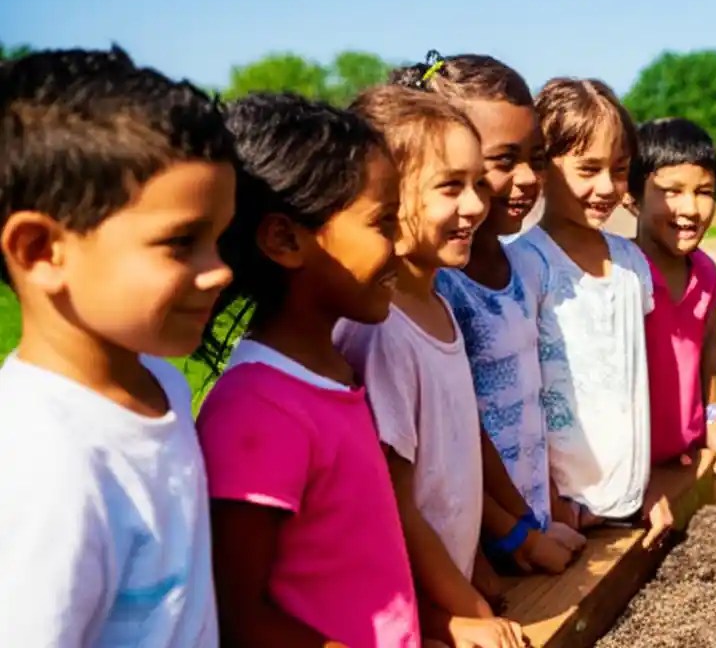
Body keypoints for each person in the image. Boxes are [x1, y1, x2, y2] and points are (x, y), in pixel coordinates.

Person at [0, 47, 232, 646]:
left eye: (220, 239)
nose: (221, 271)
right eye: (182, 244)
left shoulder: (163, 384)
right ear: (40, 251)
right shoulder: (45, 465)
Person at [194, 93, 420, 647]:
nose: (401, 245)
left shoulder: (331, 370)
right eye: (383, 223)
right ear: (285, 239)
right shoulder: (255, 410)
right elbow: (239, 617)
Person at [338, 84, 532, 648]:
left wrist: (474, 570)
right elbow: (393, 505)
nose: (476, 205)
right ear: (387, 197)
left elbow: (448, 466)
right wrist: (461, 605)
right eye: (450, 187)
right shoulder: (379, 331)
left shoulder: (439, 303)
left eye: (477, 183)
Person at [388, 54, 587, 568]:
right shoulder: (437, 288)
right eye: (503, 161)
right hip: (476, 549)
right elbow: (452, 443)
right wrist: (517, 535)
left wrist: (541, 516)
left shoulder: (518, 265)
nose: (526, 178)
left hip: (530, 528)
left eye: (536, 158)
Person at [508, 78, 674, 547]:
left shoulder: (630, 263)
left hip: (630, 507)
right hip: (559, 517)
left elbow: (639, 382)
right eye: (588, 169)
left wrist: (648, 485)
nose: (607, 187)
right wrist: (548, 501)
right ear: (544, 166)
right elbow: (519, 400)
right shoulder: (525, 266)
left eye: (619, 170)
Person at [628, 117, 716, 473]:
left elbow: (709, 345)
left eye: (703, 192)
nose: (689, 209)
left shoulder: (704, 271)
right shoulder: (622, 274)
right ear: (632, 197)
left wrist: (713, 415)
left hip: (683, 457)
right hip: (630, 467)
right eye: (671, 191)